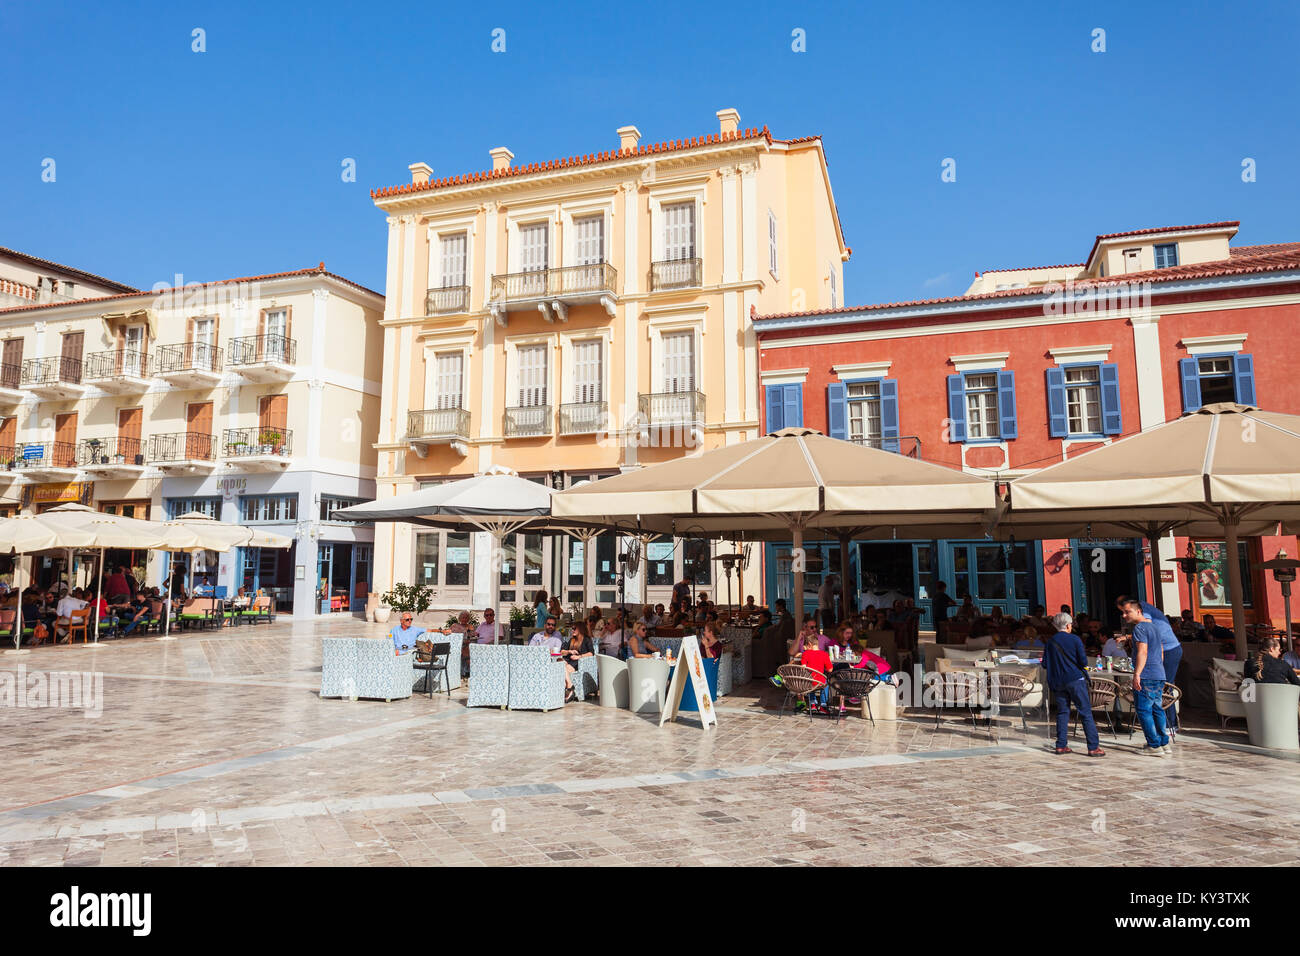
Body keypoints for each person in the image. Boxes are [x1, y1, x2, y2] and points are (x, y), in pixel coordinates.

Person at [1041, 613, 1105, 756]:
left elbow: (1045, 664)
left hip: (1058, 682)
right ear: (1069, 625)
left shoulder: (1050, 642)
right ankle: (1093, 747)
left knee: (1063, 712)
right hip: (1075, 680)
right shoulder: (1075, 639)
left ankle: (1061, 745)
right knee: (1085, 712)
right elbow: (1083, 662)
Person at [1120, 599, 1171, 756]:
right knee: (1157, 708)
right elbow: (1161, 650)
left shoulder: (1139, 628)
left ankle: (1153, 745)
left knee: (1144, 710)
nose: (1124, 615)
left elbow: (1143, 651)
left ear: (1138, 611)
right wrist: (1158, 668)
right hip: (1158, 673)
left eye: (1127, 612)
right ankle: (1163, 743)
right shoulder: (1154, 627)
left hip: (1147, 674)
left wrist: (1137, 673)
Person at [559, 622, 595, 701]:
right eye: (572, 628)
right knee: (560, 663)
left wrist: (579, 657)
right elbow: (561, 651)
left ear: (580, 629)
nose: (572, 630)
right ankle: (570, 686)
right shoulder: (572, 640)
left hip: (578, 663)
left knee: (562, 668)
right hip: (568, 661)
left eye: (574, 629)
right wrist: (569, 651)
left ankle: (566, 690)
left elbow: (591, 653)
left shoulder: (586, 639)